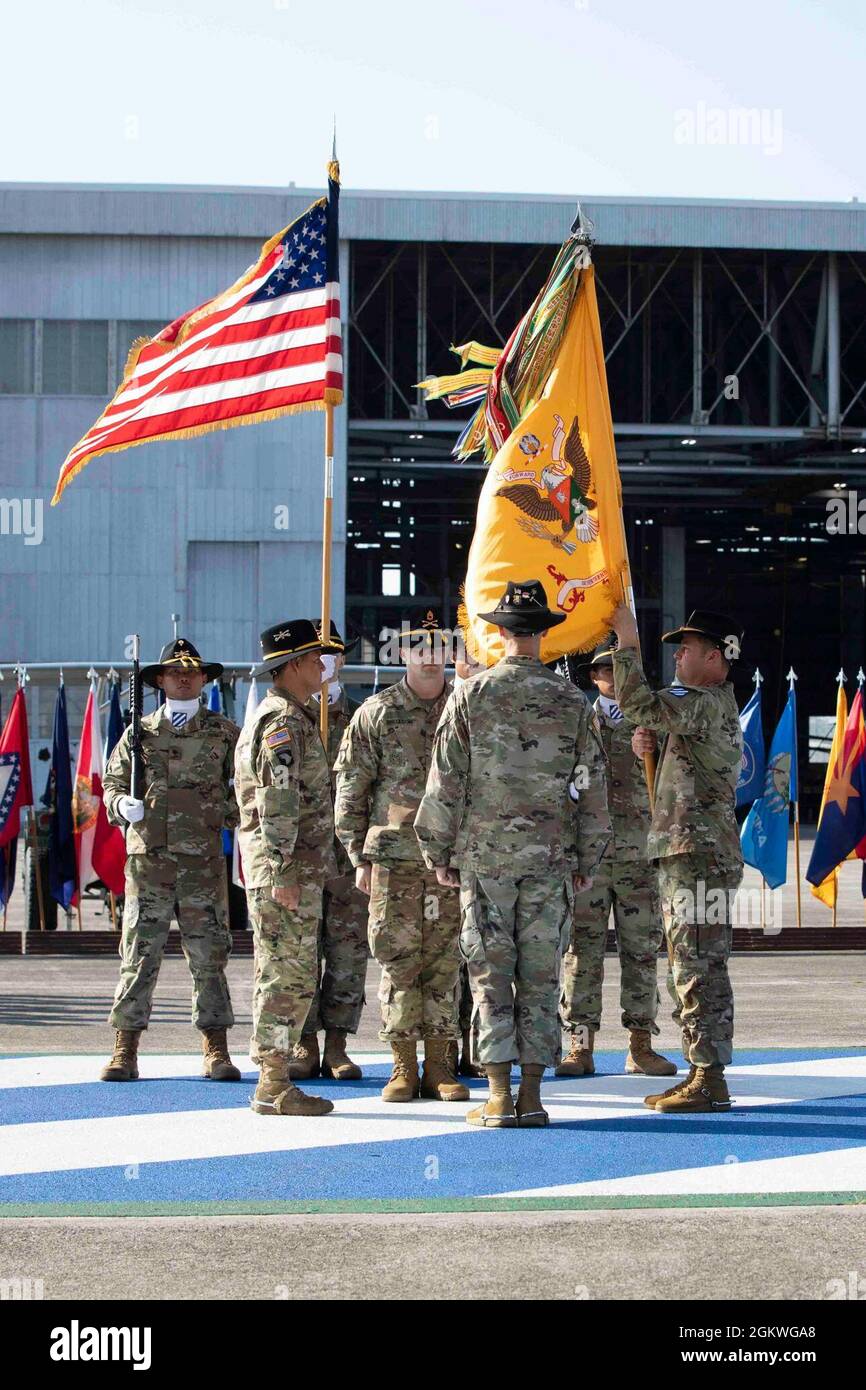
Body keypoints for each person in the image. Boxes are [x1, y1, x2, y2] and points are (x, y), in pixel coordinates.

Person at [415, 580, 611, 1129]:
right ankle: (532, 1095)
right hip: (551, 863)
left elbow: (444, 782)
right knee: (543, 975)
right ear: (544, 635)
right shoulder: (573, 701)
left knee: (490, 975)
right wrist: (586, 860)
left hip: (487, 863)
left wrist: (437, 850)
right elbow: (592, 788)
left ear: (499, 632)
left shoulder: (470, 698)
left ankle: (498, 1094)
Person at [610, 605, 744, 1114]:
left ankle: (709, 1076)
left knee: (698, 966)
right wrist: (658, 740)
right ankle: (702, 1069)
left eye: (686, 649)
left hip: (698, 854)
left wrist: (627, 643)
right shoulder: (702, 706)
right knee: (692, 963)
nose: (678, 656)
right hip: (692, 852)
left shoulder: (702, 700)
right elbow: (654, 719)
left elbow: (639, 703)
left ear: (713, 657)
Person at [334, 609, 468, 1104]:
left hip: (451, 861)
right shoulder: (377, 713)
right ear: (405, 654)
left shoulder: (467, 706)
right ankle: (401, 1067)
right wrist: (358, 857)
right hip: (393, 859)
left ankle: (440, 1066)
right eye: (420, 649)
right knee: (397, 962)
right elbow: (351, 787)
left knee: (445, 961)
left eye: (439, 648)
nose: (430, 658)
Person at [101, 638, 241, 1083]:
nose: (184, 677)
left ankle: (215, 1048)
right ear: (159, 680)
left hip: (201, 861)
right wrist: (122, 805)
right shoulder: (137, 733)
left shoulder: (224, 733)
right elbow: (109, 785)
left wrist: (221, 810)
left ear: (203, 680)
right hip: (150, 862)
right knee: (140, 954)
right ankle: (125, 1048)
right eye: (174, 672)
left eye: (192, 672)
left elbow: (247, 790)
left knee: (209, 955)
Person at [234, 619, 341, 1117]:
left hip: (288, 868)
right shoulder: (283, 724)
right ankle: (273, 1084)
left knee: (282, 974)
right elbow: (278, 803)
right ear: (293, 665)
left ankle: (271, 1079)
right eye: (315, 658)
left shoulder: (287, 716)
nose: (323, 666)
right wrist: (284, 873)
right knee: (287, 978)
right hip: (286, 871)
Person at [557, 640, 676, 1079]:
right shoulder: (576, 725)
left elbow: (682, 778)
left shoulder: (655, 724)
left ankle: (640, 1044)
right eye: (605, 670)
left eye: (620, 669)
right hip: (588, 858)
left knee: (641, 952)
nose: (613, 676)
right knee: (581, 953)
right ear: (594, 677)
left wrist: (656, 751)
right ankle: (580, 1045)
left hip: (640, 857)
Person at [289, 621, 368, 1083]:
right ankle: (305, 1041)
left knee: (347, 951)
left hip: (345, 855)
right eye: (317, 655)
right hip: (301, 853)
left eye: (333, 654)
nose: (326, 663)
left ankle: (337, 1043)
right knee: (301, 951)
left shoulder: (361, 718)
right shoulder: (288, 716)